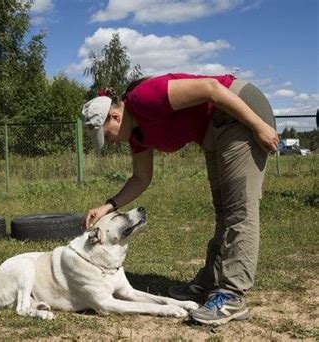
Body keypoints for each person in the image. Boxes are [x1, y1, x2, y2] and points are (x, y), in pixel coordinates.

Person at [81, 73, 278, 325]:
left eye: (107, 136)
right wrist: (108, 206)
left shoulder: (143, 99)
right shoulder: (137, 135)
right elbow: (141, 178)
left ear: (116, 116)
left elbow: (211, 88)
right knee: (224, 210)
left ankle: (231, 295)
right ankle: (211, 281)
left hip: (238, 109)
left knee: (240, 209)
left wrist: (258, 125)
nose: (110, 143)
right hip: (214, 129)